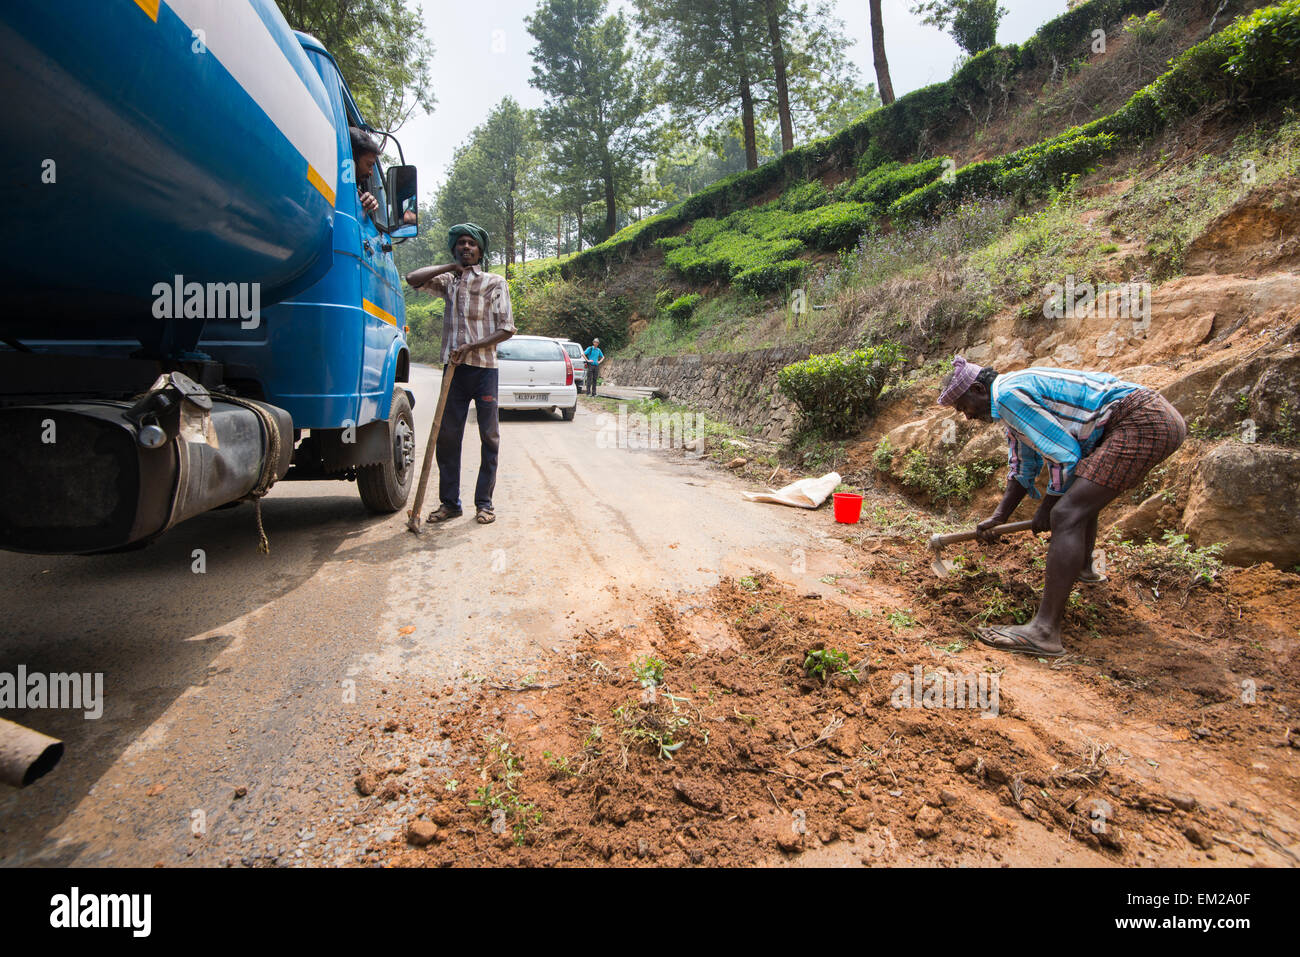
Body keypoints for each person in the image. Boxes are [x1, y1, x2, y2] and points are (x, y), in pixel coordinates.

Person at [939, 356, 1186, 658]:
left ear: (978, 389)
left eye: (964, 407)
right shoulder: (1009, 403)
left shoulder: (1007, 397)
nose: (966, 416)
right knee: (1080, 499)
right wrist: (999, 516)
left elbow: (1066, 455)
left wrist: (1048, 508)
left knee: (1066, 513)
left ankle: (1043, 631)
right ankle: (1084, 569)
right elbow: (1023, 465)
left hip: (1142, 420)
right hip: (1151, 416)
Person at [405, 224, 515, 525]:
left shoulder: (494, 283)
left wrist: (470, 346)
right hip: (452, 371)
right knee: (447, 438)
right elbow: (412, 279)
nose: (467, 247)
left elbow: (507, 328)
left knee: (489, 437)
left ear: (481, 251)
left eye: (472, 244)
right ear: (455, 249)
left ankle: (485, 503)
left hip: (483, 371)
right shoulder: (447, 282)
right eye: (461, 243)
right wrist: (451, 267)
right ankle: (450, 504)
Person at [349, 127, 381, 216]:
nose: (371, 173)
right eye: (369, 165)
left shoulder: (355, 193)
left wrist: (369, 203)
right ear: (351, 156)